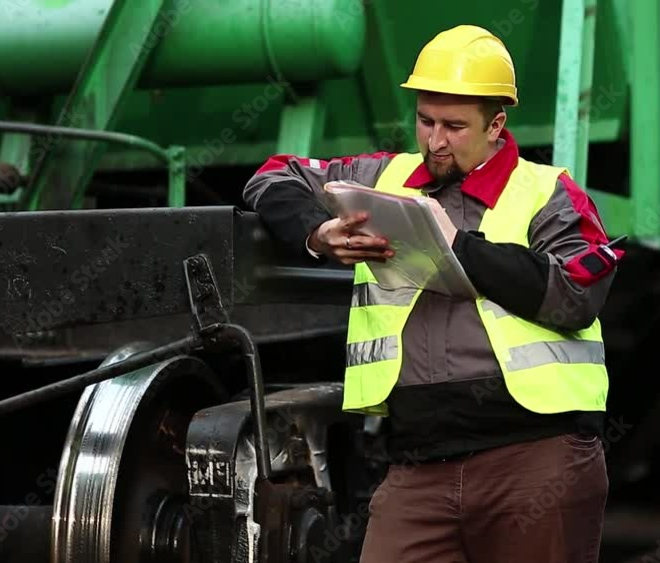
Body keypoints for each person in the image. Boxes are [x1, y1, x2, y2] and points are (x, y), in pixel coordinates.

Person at [242, 25, 624, 563]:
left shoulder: (548, 191)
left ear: (496, 125)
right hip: (417, 468)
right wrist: (316, 232)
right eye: (425, 120)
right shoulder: (385, 177)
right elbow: (273, 174)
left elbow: (576, 293)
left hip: (535, 462)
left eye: (454, 126)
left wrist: (459, 246)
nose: (434, 140)